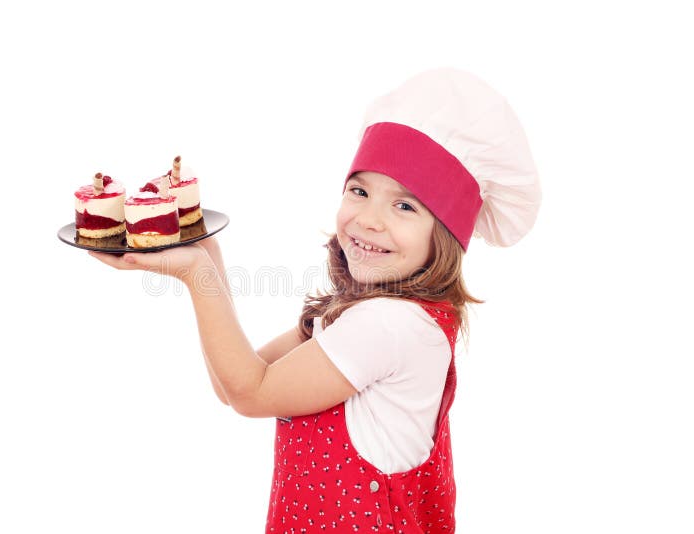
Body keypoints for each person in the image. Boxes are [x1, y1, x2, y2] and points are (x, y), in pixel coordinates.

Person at [90, 68, 541, 533]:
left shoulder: (390, 326)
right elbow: (234, 384)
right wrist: (208, 251)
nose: (369, 219)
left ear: (444, 236)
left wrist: (196, 273)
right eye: (359, 191)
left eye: (405, 206)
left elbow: (250, 392)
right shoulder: (369, 313)